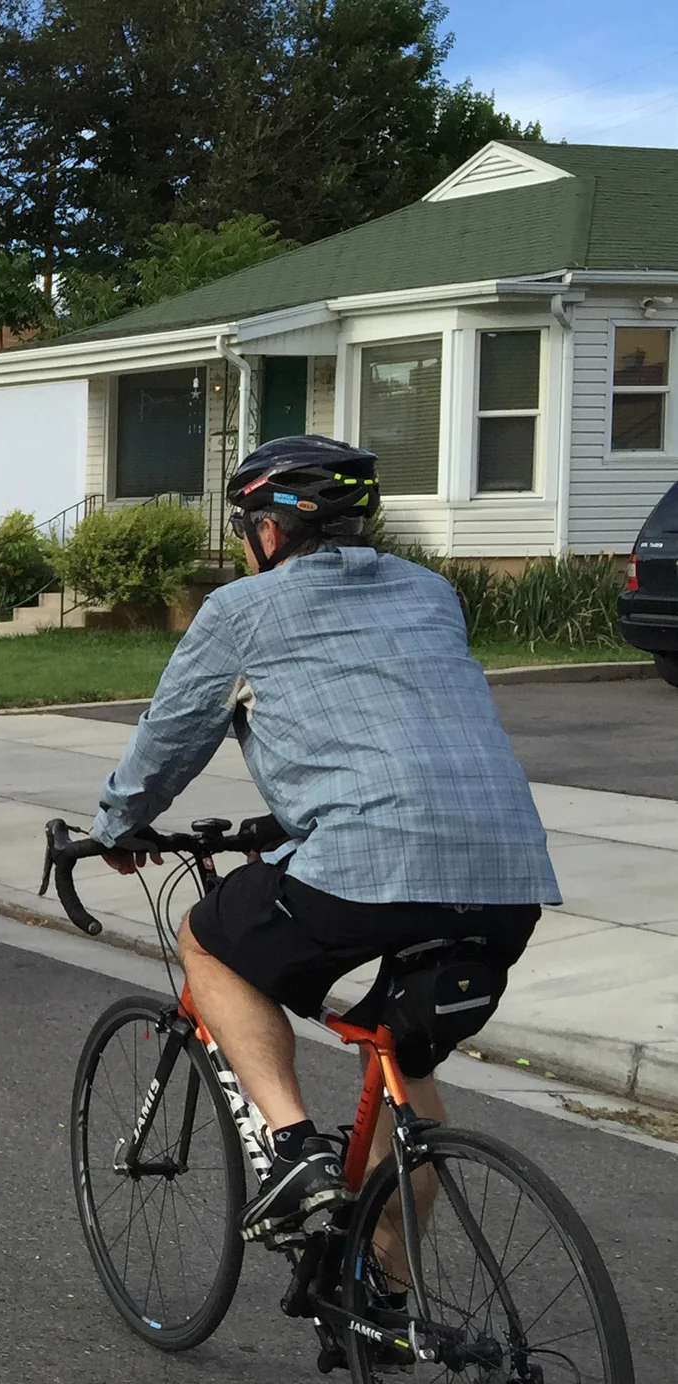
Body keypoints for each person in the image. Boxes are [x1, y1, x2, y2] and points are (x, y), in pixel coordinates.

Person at [91, 434, 558, 1249]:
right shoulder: (431, 591)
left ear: (267, 530)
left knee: (207, 939)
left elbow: (169, 739)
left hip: (367, 865)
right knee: (404, 1069)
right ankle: (390, 1307)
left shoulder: (240, 610)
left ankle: (294, 1149)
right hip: (507, 874)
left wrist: (115, 825)